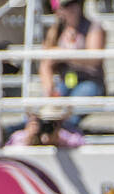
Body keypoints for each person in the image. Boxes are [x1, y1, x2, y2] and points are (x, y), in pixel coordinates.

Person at [39, 0, 107, 129]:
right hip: (65, 82)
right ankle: (16, 130)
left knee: (72, 109)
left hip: (90, 81)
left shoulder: (93, 27)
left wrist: (64, 54)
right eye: (65, 5)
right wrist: (49, 88)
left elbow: (94, 59)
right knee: (42, 108)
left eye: (74, 3)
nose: (71, 8)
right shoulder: (56, 30)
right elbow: (45, 63)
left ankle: (63, 133)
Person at [5, 104, 86, 148]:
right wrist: (29, 139)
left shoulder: (69, 137)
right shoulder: (20, 137)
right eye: (44, 121)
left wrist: (58, 140)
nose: (48, 125)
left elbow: (81, 145)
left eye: (53, 122)